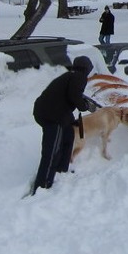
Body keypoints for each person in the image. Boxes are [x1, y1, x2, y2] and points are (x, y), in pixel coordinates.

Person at [30, 56, 95, 195]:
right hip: (52, 116)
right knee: (52, 151)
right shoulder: (79, 77)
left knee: (68, 136)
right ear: (87, 69)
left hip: (51, 111)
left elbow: (71, 94)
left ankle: (61, 170)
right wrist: (85, 106)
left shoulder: (70, 75)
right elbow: (74, 96)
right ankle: (42, 185)